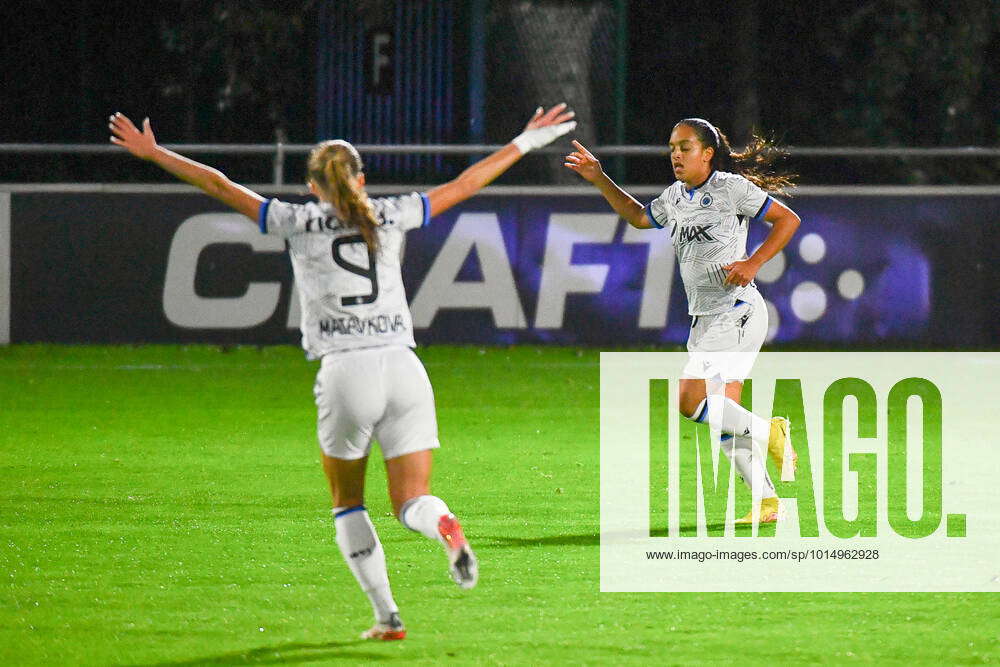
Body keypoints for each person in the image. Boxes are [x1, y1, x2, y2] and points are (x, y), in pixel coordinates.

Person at [109, 104, 576, 639]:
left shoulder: (294, 220)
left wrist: (155, 153)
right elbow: (466, 184)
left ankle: (387, 616)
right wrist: (525, 141)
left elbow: (219, 184)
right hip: (403, 367)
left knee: (348, 504)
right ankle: (444, 524)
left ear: (313, 187)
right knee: (412, 499)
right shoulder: (392, 214)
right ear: (362, 180)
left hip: (346, 372)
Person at [565, 118, 801, 525]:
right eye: (672, 148)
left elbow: (788, 220)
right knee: (724, 416)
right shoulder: (675, 196)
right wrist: (600, 178)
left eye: (685, 147)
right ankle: (767, 502)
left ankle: (772, 433)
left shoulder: (730, 188)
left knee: (690, 402)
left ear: (707, 153)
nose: (676, 155)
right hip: (705, 319)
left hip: (737, 311)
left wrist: (753, 262)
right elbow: (639, 217)